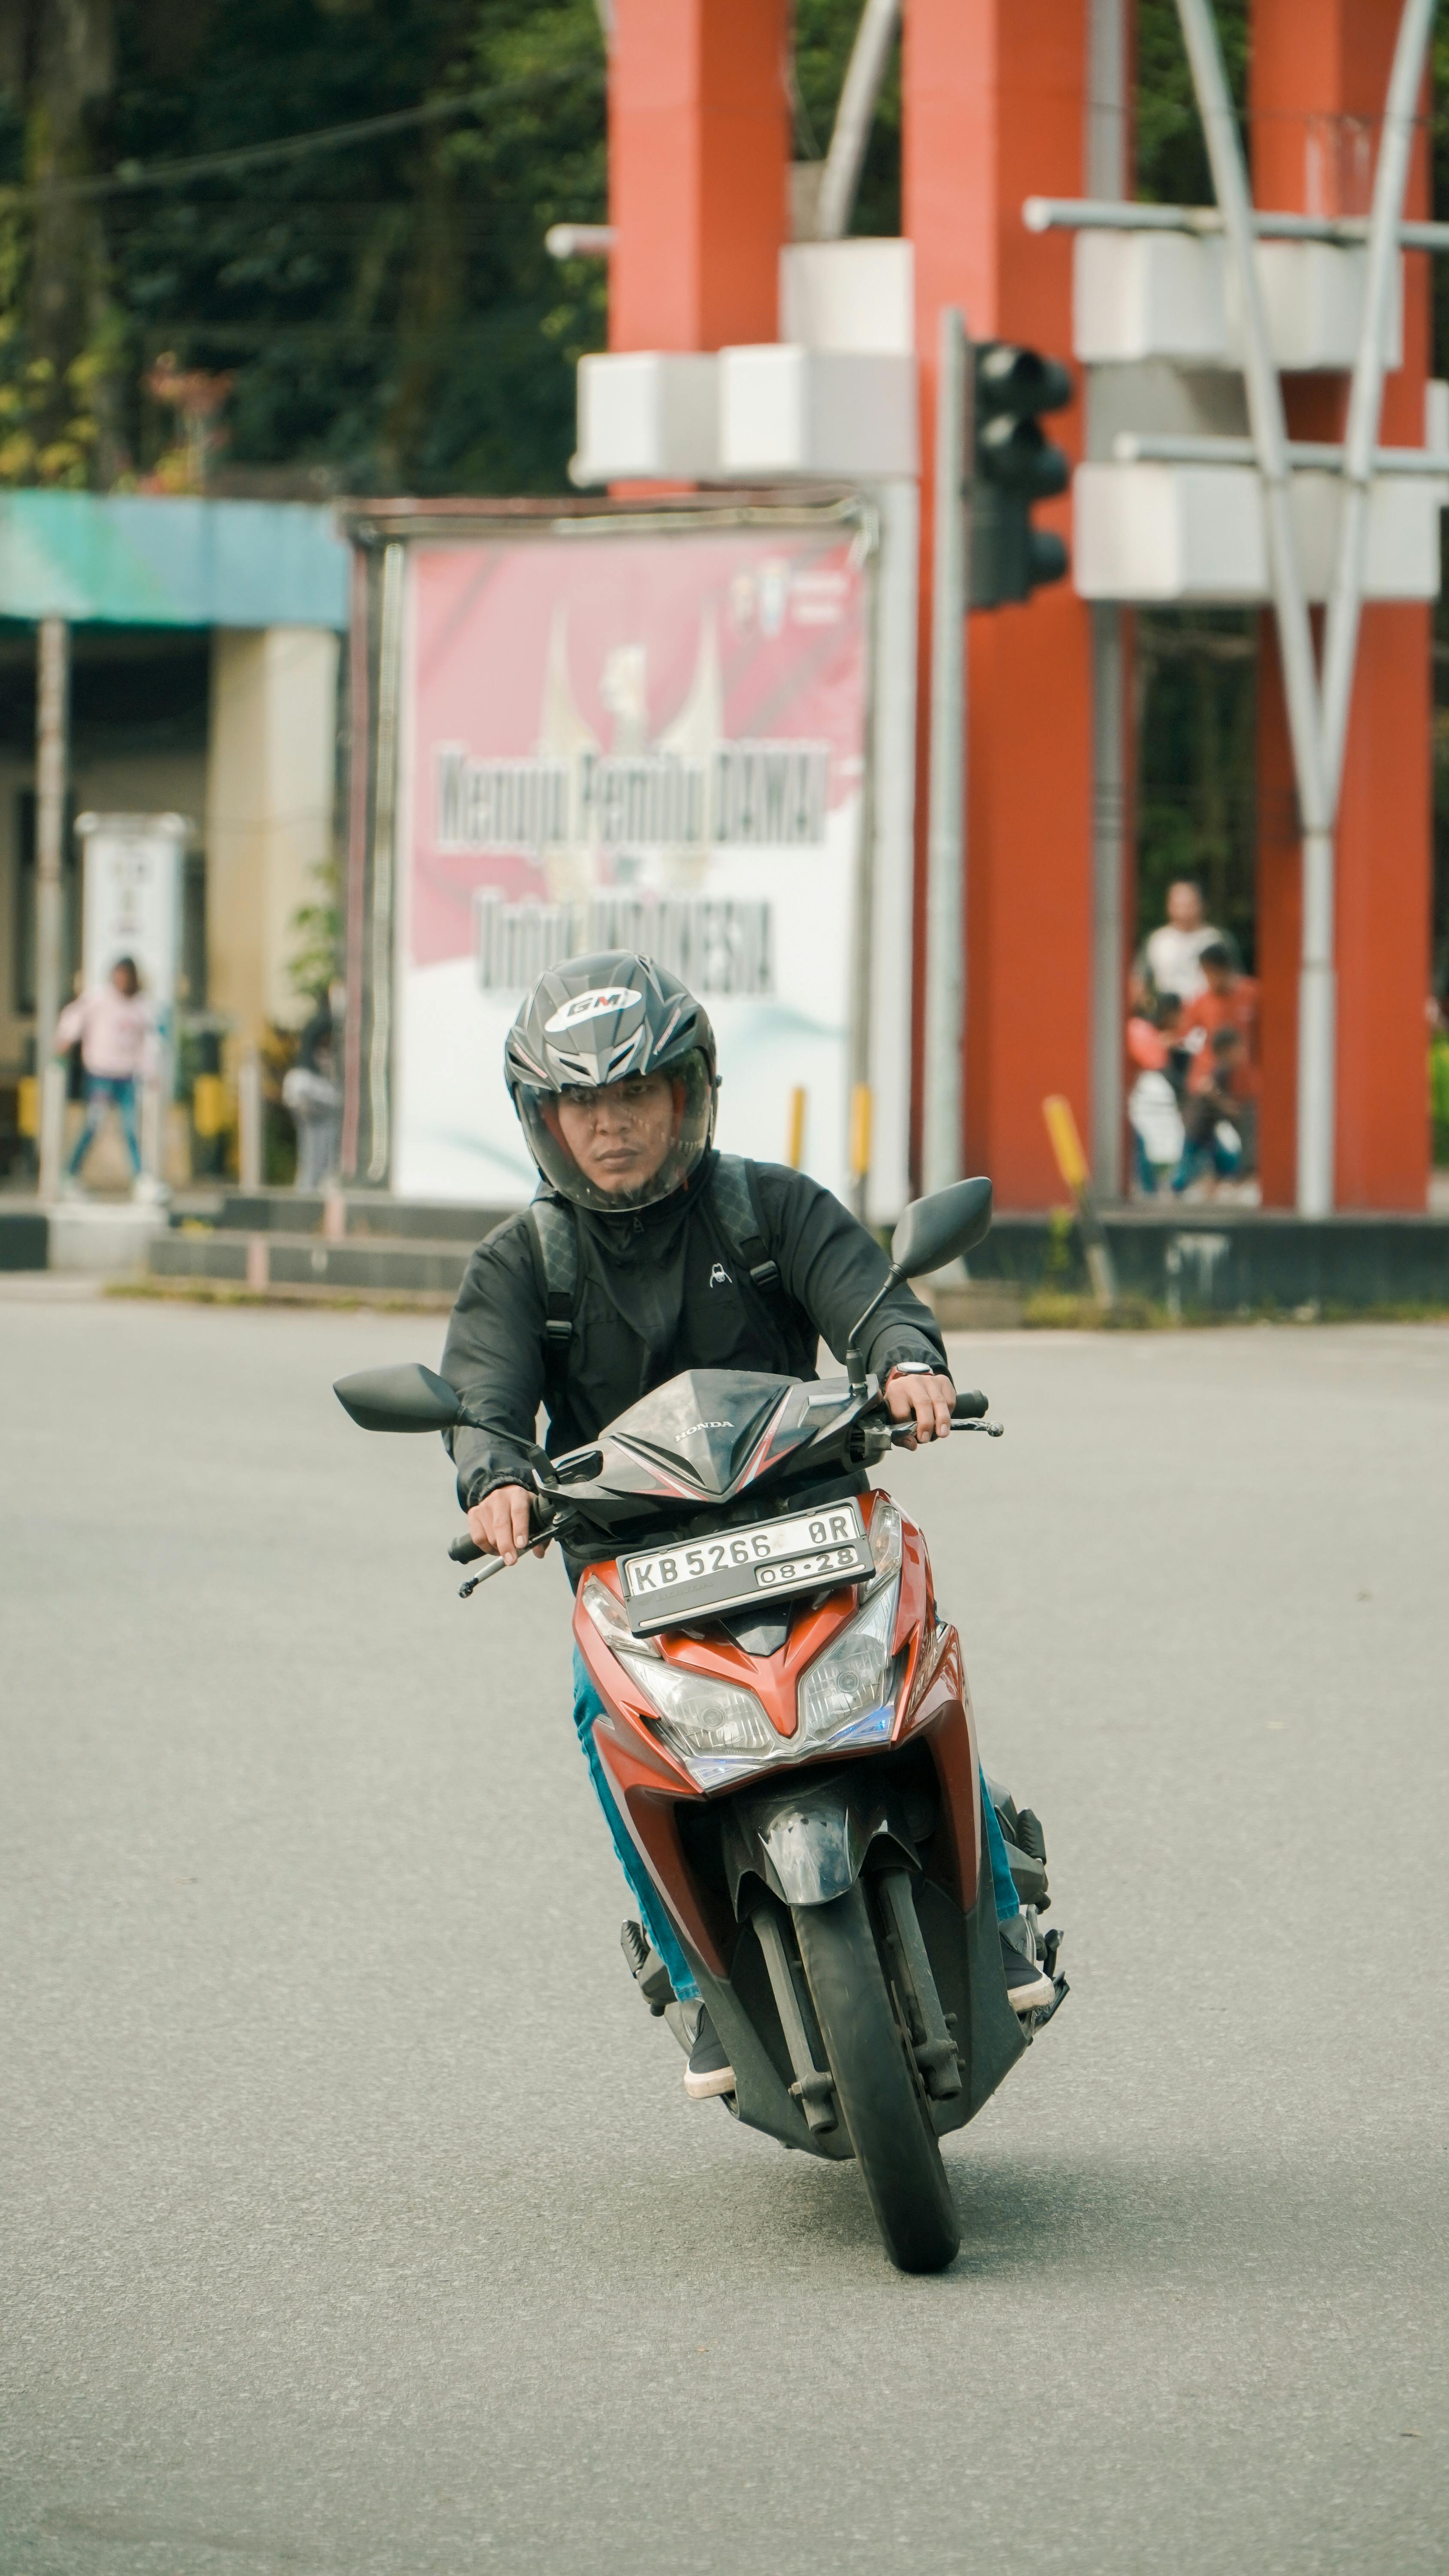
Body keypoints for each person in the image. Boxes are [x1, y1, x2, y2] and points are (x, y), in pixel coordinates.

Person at [438, 953, 1054, 2100]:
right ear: (544, 1120)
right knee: (598, 1717)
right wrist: (493, 1479)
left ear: (688, 1093)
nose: (611, 1126)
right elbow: (482, 1399)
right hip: (636, 1570)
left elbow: (866, 1294)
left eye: (634, 1096)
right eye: (583, 1103)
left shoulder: (766, 1207)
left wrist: (907, 1361)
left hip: (811, 1523)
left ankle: (998, 1919)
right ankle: (688, 1973)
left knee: (921, 1651)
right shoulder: (525, 1265)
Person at [54, 955, 153, 1192]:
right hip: (101, 1074)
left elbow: (149, 1042)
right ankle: (69, 1174)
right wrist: (65, 1040)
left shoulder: (142, 1006)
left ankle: (141, 1179)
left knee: (130, 1128)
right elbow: (74, 1016)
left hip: (127, 1076)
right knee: (93, 1124)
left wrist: (150, 1070)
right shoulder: (99, 998)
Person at [1134, 880, 1231, 1009]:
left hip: (1208, 1015)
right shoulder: (1157, 940)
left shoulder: (1216, 939)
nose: (1184, 911)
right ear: (1169, 906)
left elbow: (1234, 982)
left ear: (1202, 905)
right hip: (1167, 1019)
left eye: (1189, 905)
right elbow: (1138, 982)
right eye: (1179, 905)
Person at [282, 996, 343, 1190]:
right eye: (324, 1046)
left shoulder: (330, 1083)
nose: (327, 1054)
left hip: (331, 1172)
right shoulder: (303, 1079)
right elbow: (299, 1096)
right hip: (312, 1174)